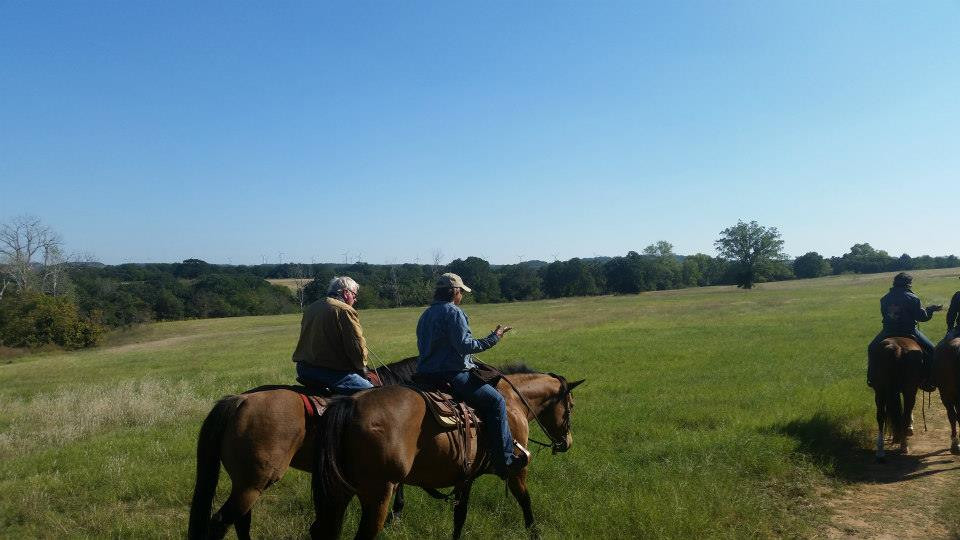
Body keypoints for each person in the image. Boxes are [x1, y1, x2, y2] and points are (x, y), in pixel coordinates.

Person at [415, 272, 529, 478]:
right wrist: (494, 338)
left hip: (425, 375)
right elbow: (465, 345)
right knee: (496, 401)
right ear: (455, 291)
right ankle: (505, 460)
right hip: (452, 375)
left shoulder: (426, 314)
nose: (462, 296)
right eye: (461, 292)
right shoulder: (454, 312)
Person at [292, 276, 374, 394]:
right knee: (372, 395)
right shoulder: (344, 310)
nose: (355, 300)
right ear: (346, 293)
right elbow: (356, 346)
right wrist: (361, 365)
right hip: (329, 372)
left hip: (304, 369)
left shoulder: (312, 307)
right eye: (354, 295)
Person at [867, 272, 943, 387]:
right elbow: (921, 317)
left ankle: (872, 378)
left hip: (887, 331)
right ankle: (928, 379)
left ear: (895, 283)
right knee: (932, 350)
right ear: (908, 284)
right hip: (908, 331)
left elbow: (884, 315)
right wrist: (930, 310)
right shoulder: (912, 297)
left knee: (872, 348)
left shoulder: (885, 298)